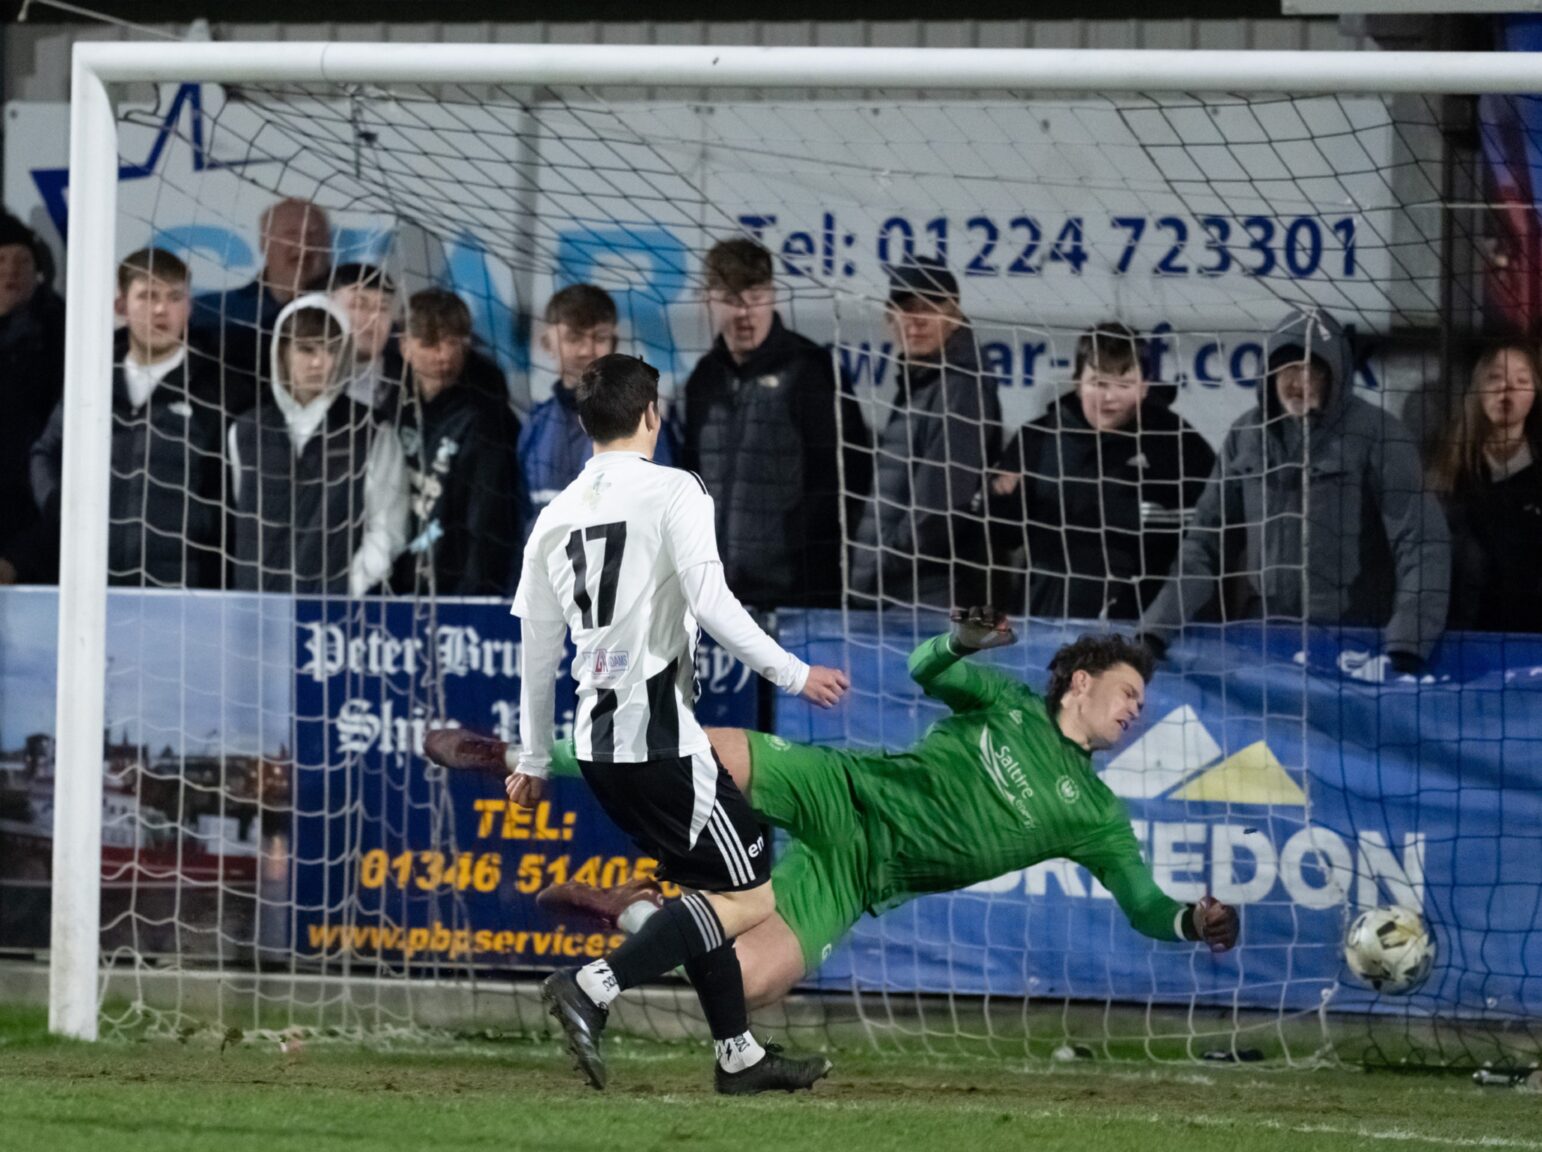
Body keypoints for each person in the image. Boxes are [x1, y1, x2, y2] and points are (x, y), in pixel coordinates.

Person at [434, 609, 1240, 1011]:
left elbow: (1142, 904)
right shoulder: (1003, 703)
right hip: (846, 787)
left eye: (1141, 702)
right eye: (1129, 693)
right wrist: (960, 642)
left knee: (742, 987)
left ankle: (636, 916)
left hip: (860, 870)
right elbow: (926, 665)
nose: (1136, 711)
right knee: (701, 751)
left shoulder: (1097, 813)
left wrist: (1190, 922)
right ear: (1082, 682)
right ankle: (509, 754)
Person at [496, 352, 849, 1094]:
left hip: (599, 747)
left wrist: (532, 758)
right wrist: (794, 672)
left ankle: (739, 1057)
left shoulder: (553, 517)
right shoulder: (674, 489)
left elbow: (536, 654)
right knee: (754, 890)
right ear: (652, 413)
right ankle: (594, 984)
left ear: (587, 423)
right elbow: (714, 604)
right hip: (658, 737)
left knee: (705, 893)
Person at [1139, 308, 1449, 679]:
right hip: (1263, 641)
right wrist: (1154, 632)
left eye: (1313, 370)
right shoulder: (1246, 435)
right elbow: (1204, 542)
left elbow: (1423, 544)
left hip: (1354, 644)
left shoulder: (1380, 435)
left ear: (1337, 374)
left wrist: (1406, 646)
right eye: (1289, 371)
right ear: (1270, 374)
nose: (1300, 383)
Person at [986, 323, 1215, 620]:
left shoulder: (1177, 442)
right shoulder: (1037, 437)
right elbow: (1006, 537)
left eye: (1123, 384)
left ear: (1144, 386)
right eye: (1098, 382)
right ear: (1077, 382)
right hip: (1047, 617)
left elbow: (1206, 534)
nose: (1109, 398)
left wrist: (1129, 511)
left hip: (1141, 623)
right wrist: (1002, 499)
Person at [681, 238, 865, 608]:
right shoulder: (703, 378)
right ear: (709, 300)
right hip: (717, 597)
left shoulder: (811, 369)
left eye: (757, 297)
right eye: (733, 300)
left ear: (774, 295)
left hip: (796, 597)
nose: (745, 313)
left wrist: (791, 545)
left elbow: (846, 479)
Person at [31, 248, 225, 588]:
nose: (162, 309)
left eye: (174, 297)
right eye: (148, 296)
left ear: (189, 307)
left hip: (184, 588)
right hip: (90, 581)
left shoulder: (218, 388)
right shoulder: (91, 379)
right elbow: (45, 452)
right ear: (121, 307)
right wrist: (57, 508)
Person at [227, 294, 407, 596]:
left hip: (336, 614)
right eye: (305, 349)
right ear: (282, 351)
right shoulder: (245, 431)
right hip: (256, 609)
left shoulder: (371, 429)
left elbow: (389, 527)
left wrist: (346, 588)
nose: (318, 362)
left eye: (330, 350)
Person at [850, 256, 1000, 609]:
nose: (915, 321)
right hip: (901, 594)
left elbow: (938, 513)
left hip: (927, 599)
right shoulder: (920, 381)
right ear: (889, 320)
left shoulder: (960, 387)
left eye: (929, 308)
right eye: (905, 309)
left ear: (953, 316)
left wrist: (877, 563)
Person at [392, 288, 522, 596]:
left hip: (458, 593)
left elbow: (488, 524)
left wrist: (475, 594)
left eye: (453, 342)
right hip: (399, 587)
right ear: (405, 347)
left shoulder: (486, 421)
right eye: (430, 343)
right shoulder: (392, 410)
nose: (443, 355)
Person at [520, 284, 676, 519]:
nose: (587, 350)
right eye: (574, 338)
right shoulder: (535, 427)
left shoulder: (642, 423)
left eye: (600, 338)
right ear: (547, 345)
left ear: (613, 344)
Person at [1428, 339, 1542, 632]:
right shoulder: (1445, 468)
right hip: (1461, 635)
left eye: (1521, 379)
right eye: (1495, 377)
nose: (1508, 388)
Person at [191, 197, 332, 410]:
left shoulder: (355, 315)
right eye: (291, 234)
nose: (304, 244)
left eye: (314, 235)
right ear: (264, 242)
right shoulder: (211, 311)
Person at [0, 212, 65, 585]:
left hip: (33, 538)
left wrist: (22, 556)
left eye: (22, 261)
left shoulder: (61, 334)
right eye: (2, 260)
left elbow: (53, 454)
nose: (12, 271)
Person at [330, 262, 401, 413]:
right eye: (358, 305)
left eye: (382, 308)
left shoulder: (407, 384)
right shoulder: (296, 375)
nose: (373, 317)